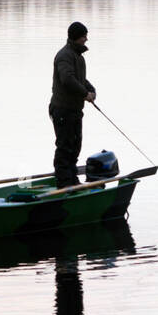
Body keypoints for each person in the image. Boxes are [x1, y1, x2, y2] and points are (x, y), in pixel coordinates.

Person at [49, 21, 96, 189]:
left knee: (75, 146)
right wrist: (85, 94)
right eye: (84, 36)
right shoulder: (64, 56)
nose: (86, 39)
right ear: (76, 37)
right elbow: (68, 79)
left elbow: (80, 80)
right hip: (62, 110)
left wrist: (91, 90)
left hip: (75, 110)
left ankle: (72, 179)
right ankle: (64, 184)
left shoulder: (77, 57)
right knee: (65, 147)